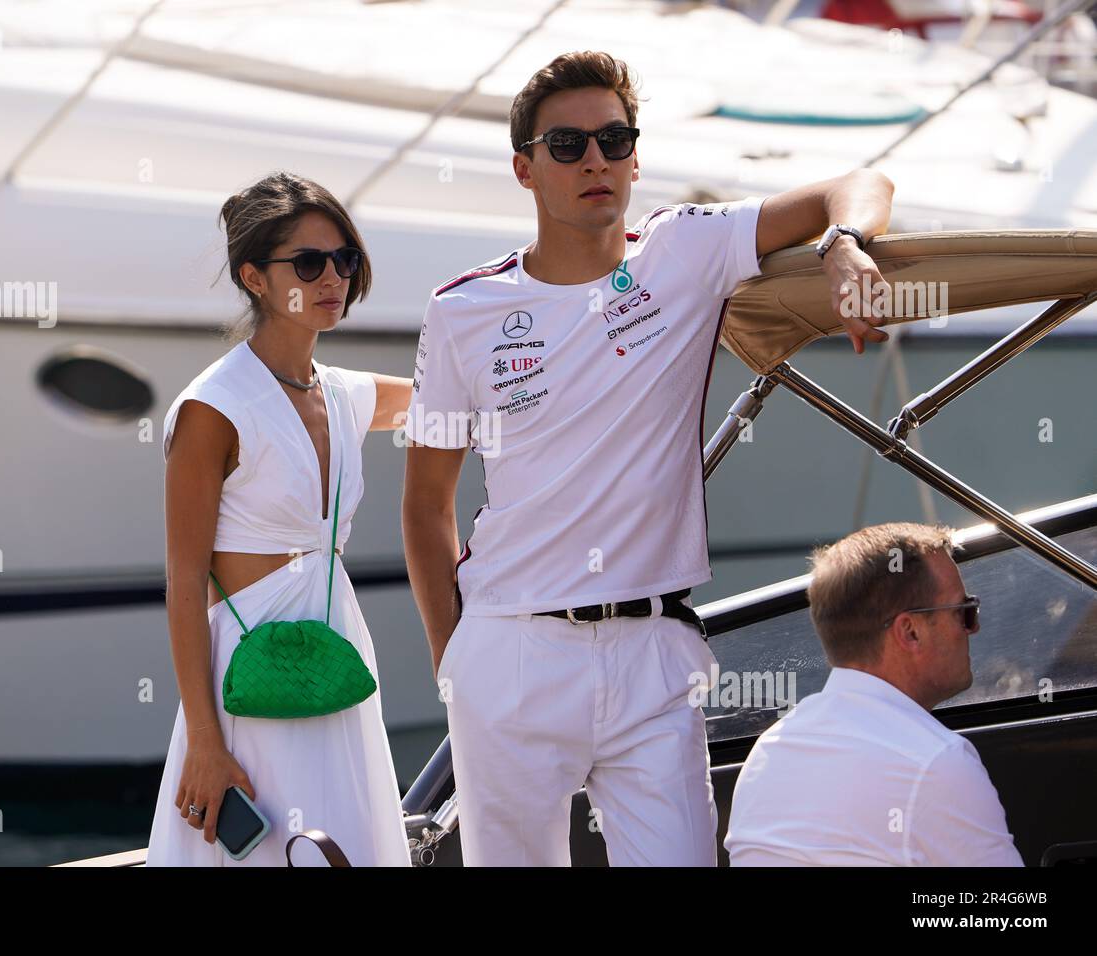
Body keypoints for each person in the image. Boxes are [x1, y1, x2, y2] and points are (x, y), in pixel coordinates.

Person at [400, 50, 895, 866]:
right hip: (510, 653)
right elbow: (425, 501)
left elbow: (862, 181)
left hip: (653, 657)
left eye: (614, 139)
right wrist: (452, 662)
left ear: (635, 156)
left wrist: (845, 244)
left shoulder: (684, 252)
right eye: (567, 145)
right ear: (525, 168)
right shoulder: (463, 310)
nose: (595, 159)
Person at [147, 172, 413, 866]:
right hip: (247, 682)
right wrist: (205, 742)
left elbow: (455, 399)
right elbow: (182, 585)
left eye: (344, 259)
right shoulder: (213, 407)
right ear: (254, 277)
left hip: (337, 660)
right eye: (308, 262)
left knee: (347, 843)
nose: (333, 277)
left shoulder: (346, 394)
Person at [725, 522, 1024, 866]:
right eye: (964, 612)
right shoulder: (937, 763)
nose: (974, 628)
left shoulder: (766, 755)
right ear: (910, 632)